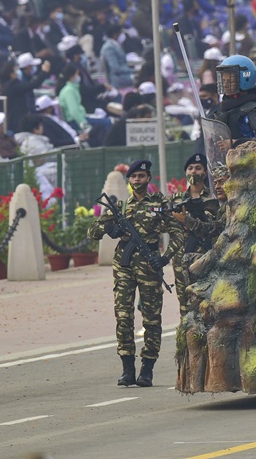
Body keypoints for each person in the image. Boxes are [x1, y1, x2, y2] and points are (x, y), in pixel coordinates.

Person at [87, 159, 183, 387]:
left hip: (150, 265)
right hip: (124, 266)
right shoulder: (120, 206)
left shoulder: (159, 204)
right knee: (123, 317)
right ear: (129, 180)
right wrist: (110, 228)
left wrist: (165, 257)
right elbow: (93, 232)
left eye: (141, 176)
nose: (137, 180)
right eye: (133, 177)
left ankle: (147, 369)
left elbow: (178, 234)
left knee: (151, 318)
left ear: (149, 178)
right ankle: (127, 369)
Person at [169, 153, 220, 318]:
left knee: (208, 301)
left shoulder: (213, 198)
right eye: (190, 168)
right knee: (185, 306)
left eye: (198, 168)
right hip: (181, 259)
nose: (193, 172)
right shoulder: (176, 200)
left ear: (205, 172)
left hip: (205, 257)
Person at [209, 55, 256, 151]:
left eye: (230, 81)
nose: (225, 84)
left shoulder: (252, 109)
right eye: (223, 80)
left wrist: (235, 143)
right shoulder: (222, 108)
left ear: (245, 79)